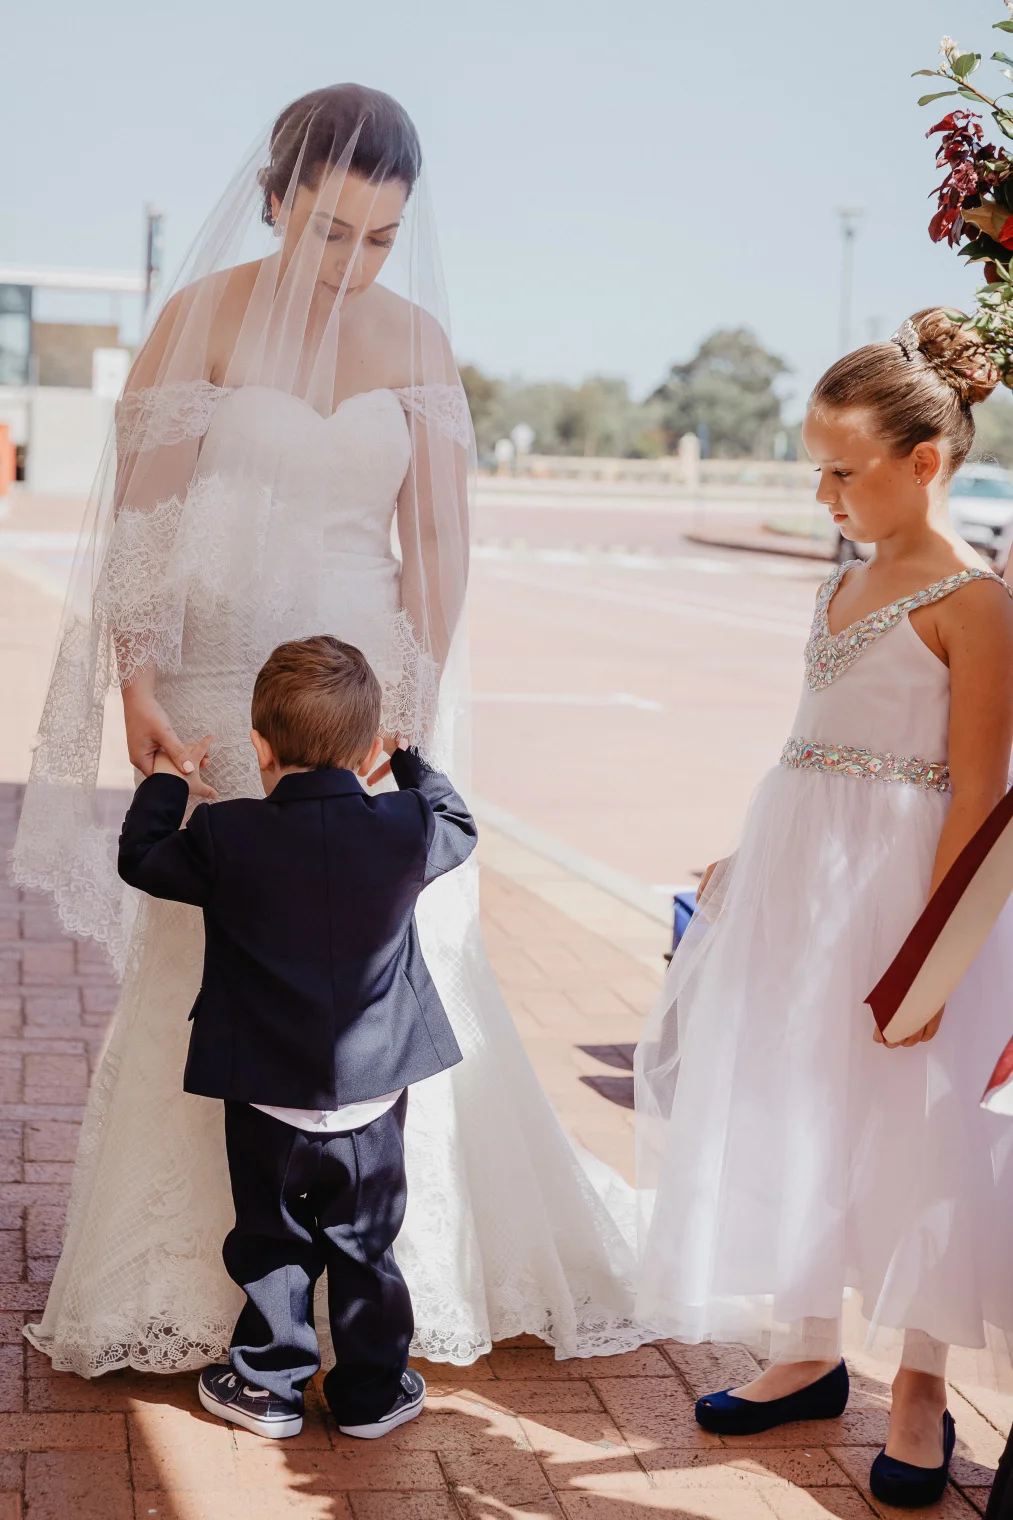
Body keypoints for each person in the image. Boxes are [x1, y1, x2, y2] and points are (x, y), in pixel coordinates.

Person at [13, 83, 644, 1378]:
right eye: (330, 230)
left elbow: (440, 545)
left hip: (362, 700)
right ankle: (194, 1276)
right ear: (277, 199)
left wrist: (411, 709)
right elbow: (145, 521)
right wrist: (137, 679)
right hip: (216, 692)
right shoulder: (200, 316)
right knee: (205, 964)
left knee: (389, 962)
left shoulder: (416, 340)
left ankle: (383, 1274)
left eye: (380, 237)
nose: (353, 263)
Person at [635, 308, 1013, 1510]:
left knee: (913, 1125)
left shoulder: (974, 600)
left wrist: (933, 956)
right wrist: (750, 851)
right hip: (802, 879)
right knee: (793, 1096)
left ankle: (919, 1383)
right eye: (816, 470)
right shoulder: (840, 580)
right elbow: (812, 742)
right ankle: (805, 1349)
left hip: (907, 896)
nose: (822, 493)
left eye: (842, 472)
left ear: (922, 461)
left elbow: (977, 793)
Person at [118, 635, 476, 1439]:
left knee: (272, 1239)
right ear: (364, 748)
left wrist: (170, 781)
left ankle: (268, 1388)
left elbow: (141, 859)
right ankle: (371, 1394)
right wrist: (407, 759)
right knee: (366, 1243)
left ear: (259, 746)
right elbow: (459, 821)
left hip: (267, 1093)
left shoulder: (226, 834)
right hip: (375, 1094)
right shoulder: (407, 824)